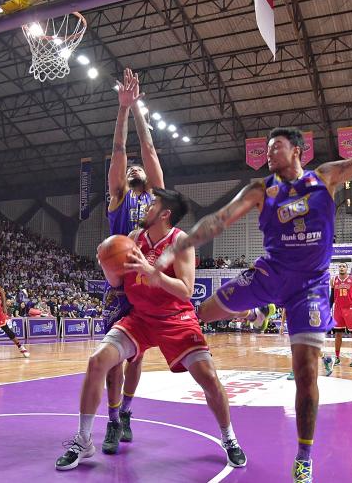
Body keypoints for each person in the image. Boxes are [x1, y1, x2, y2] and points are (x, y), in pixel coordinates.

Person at [150, 89, 352, 482]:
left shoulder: (327, 177)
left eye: (278, 146)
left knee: (306, 372)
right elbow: (218, 220)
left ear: (298, 150)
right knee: (201, 314)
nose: (270, 153)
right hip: (269, 274)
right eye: (267, 148)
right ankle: (253, 309)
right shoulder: (260, 189)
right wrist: (182, 243)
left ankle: (304, 455)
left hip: (310, 288)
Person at [55, 189, 247, 471]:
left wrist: (151, 271)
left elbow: (186, 291)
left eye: (153, 204)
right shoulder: (132, 239)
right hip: (140, 319)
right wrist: (107, 265)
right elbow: (118, 283)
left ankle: (228, 437)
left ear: (165, 213)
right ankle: (84, 440)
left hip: (175, 318)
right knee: (98, 361)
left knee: (209, 378)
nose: (146, 206)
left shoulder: (180, 242)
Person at [100, 68, 166, 454]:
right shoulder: (120, 197)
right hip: (119, 286)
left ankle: (125, 412)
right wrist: (122, 110)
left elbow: (149, 150)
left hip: (145, 288)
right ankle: (111, 420)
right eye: (129, 170)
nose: (134, 168)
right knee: (112, 359)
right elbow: (121, 151)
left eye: (137, 169)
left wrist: (138, 106)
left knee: (137, 357)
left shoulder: (155, 199)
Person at [330, 263, 352, 367]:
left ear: (347, 269)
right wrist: (327, 309)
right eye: (340, 266)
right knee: (337, 334)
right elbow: (332, 297)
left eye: (343, 266)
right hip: (338, 309)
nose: (341, 268)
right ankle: (337, 358)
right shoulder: (333, 280)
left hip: (350, 309)